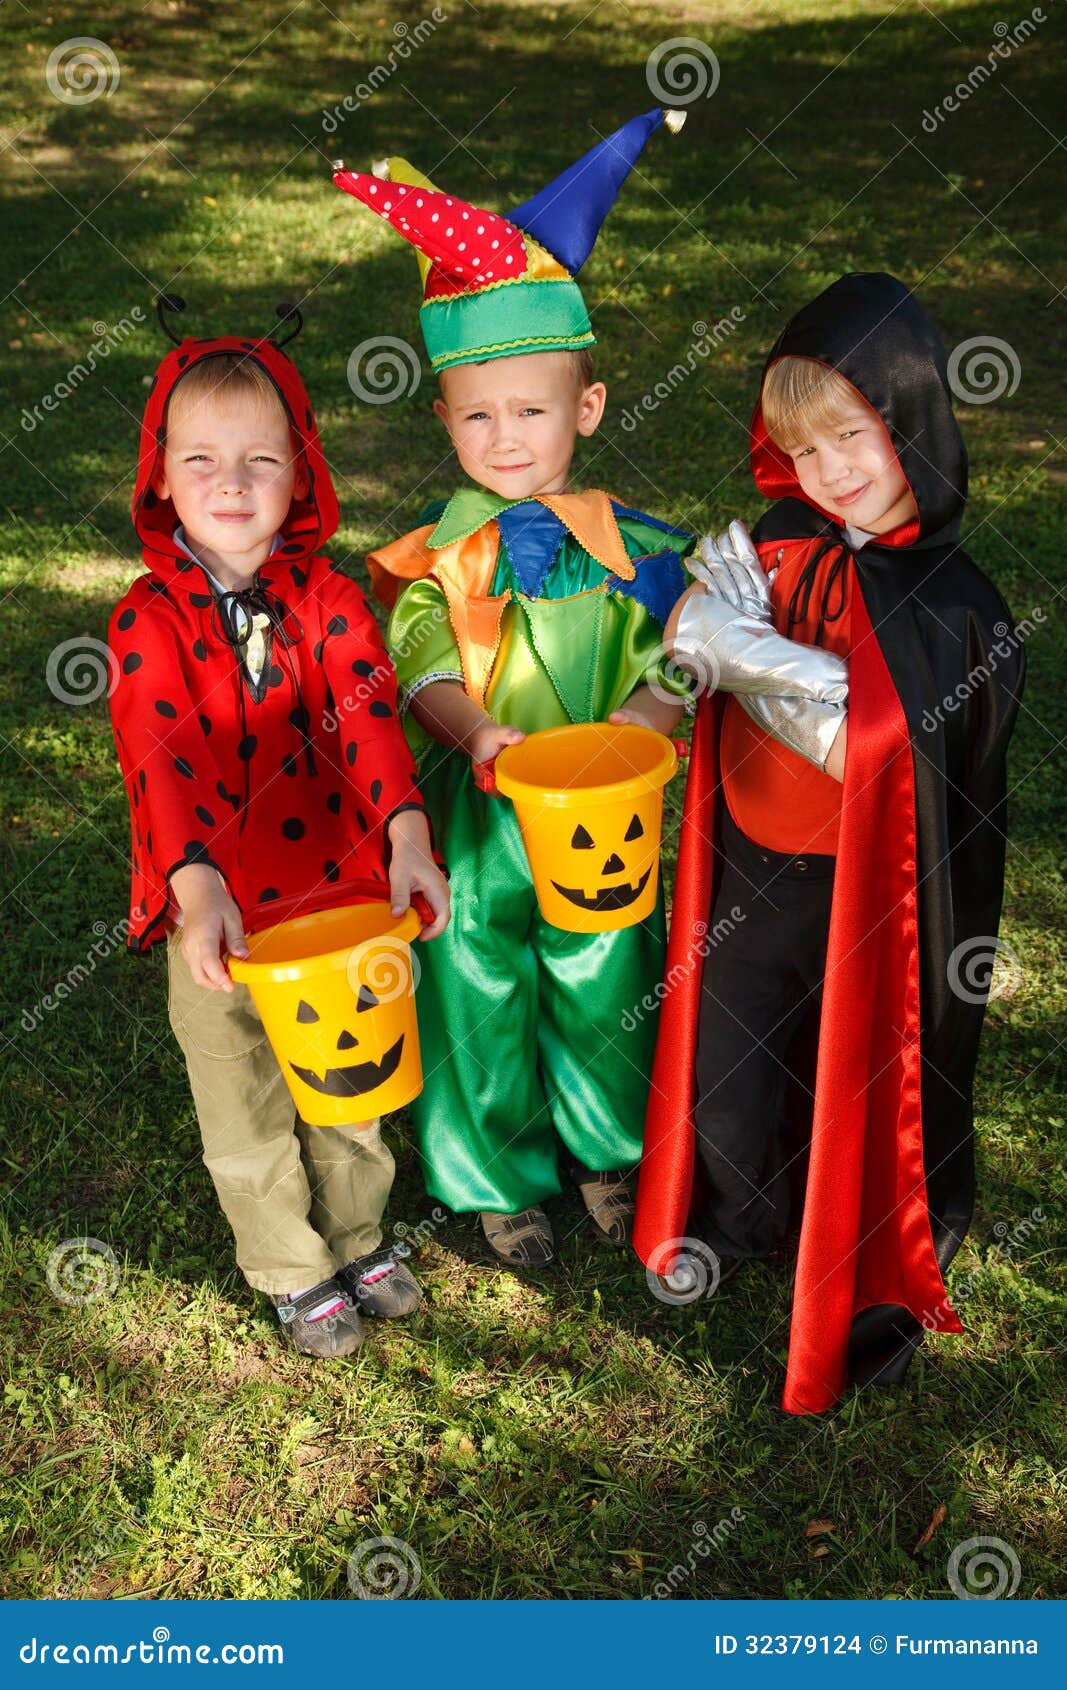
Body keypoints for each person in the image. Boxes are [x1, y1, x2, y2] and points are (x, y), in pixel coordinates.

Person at [633, 272, 1025, 1414]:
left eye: (851, 438)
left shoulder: (957, 607)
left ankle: (841, 1241)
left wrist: (750, 653)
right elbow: (690, 672)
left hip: (866, 892)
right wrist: (694, 645)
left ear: (910, 422)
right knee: (733, 1060)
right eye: (800, 452)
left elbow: (885, 747)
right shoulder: (782, 543)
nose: (829, 473)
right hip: (749, 862)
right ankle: (745, 1220)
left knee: (850, 1067)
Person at [332, 109, 695, 1265]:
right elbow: (423, 657)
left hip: (599, 817)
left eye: (530, 410)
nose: (504, 437)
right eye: (476, 414)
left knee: (606, 975)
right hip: (480, 819)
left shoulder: (634, 550)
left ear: (583, 411)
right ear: (441, 417)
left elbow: (676, 656)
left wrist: (649, 717)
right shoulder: (435, 559)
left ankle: (608, 1151)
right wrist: (475, 728)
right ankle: (494, 1170)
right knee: (474, 978)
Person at [107, 304, 449, 1357]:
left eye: (262, 457)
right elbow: (160, 757)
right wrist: (195, 889)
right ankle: (289, 1267)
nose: (231, 481)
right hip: (217, 910)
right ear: (160, 475)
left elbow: (367, 715)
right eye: (200, 457)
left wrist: (402, 831)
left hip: (339, 899)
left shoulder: (331, 598)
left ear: (301, 477)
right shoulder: (143, 620)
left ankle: (356, 1234)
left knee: (349, 1085)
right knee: (243, 1093)